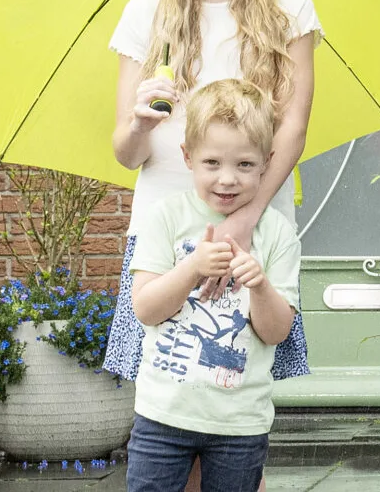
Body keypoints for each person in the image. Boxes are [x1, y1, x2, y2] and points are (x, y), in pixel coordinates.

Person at [106, 0, 319, 395]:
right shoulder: (148, 13)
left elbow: (292, 128)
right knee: (169, 397)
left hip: (254, 226)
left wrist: (245, 219)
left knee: (238, 401)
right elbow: (127, 155)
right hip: (164, 232)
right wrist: (138, 121)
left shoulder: (287, 7)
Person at [125, 78, 303, 492]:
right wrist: (191, 269)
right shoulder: (166, 218)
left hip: (239, 422)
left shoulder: (276, 235)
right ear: (188, 158)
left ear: (267, 161)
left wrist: (259, 286)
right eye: (212, 164)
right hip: (163, 415)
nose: (227, 179)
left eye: (244, 164)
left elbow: (276, 332)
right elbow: (146, 309)